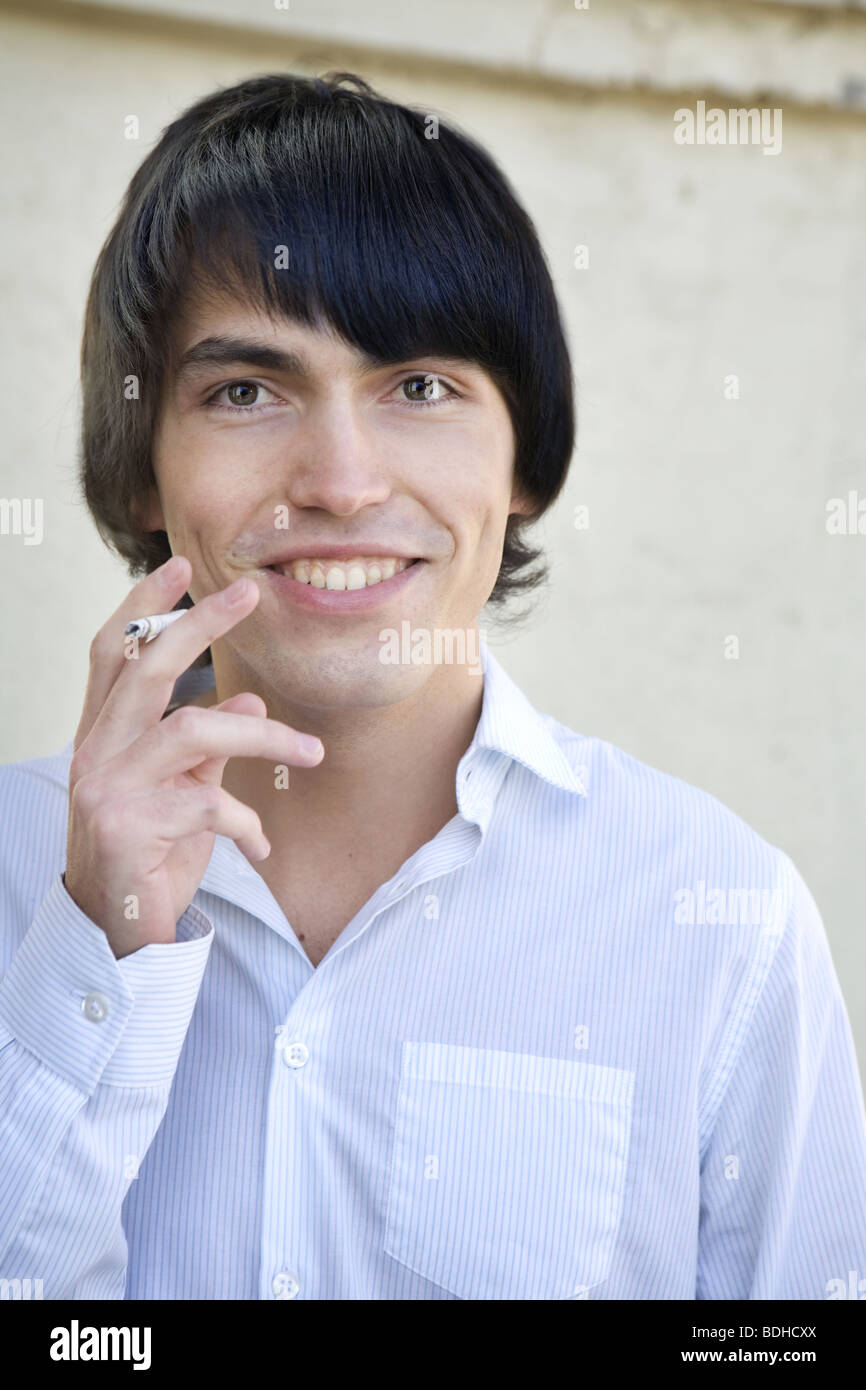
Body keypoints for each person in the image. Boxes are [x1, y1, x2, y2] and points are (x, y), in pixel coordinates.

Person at [1, 71, 864, 1302]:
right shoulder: (11, 862)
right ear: (142, 472)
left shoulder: (719, 917)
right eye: (245, 391)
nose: (343, 482)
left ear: (524, 457)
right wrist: (92, 945)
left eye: (420, 386)